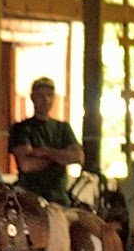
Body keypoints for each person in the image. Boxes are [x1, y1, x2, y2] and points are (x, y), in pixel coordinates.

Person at [8, 77, 84, 205]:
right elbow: (27, 165)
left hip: (59, 199)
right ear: (32, 97)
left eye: (49, 95)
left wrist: (45, 152)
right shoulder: (21, 129)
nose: (46, 100)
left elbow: (78, 157)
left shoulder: (63, 128)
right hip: (30, 200)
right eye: (41, 95)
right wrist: (60, 157)